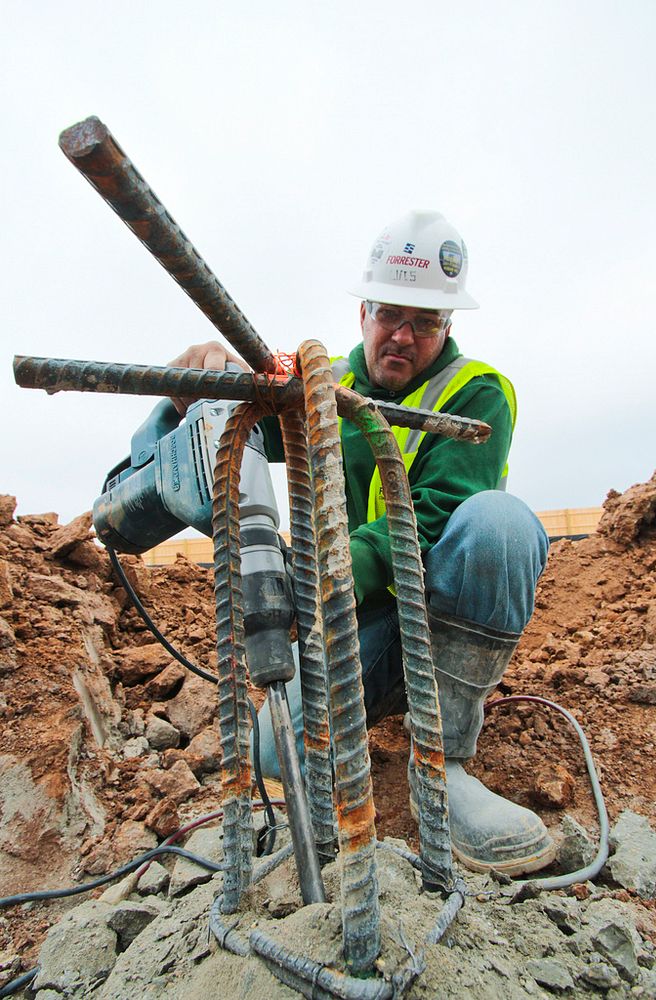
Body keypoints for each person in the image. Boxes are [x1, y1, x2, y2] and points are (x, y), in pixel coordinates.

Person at [170, 210, 554, 876]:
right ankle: (379, 705)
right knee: (273, 749)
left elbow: (436, 514)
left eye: (424, 322)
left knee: (500, 524)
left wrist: (329, 572)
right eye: (389, 315)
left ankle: (445, 764)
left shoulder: (477, 392)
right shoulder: (326, 382)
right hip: (361, 619)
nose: (402, 335)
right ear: (363, 313)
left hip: (441, 609)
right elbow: (241, 427)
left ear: (447, 327)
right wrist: (200, 390)